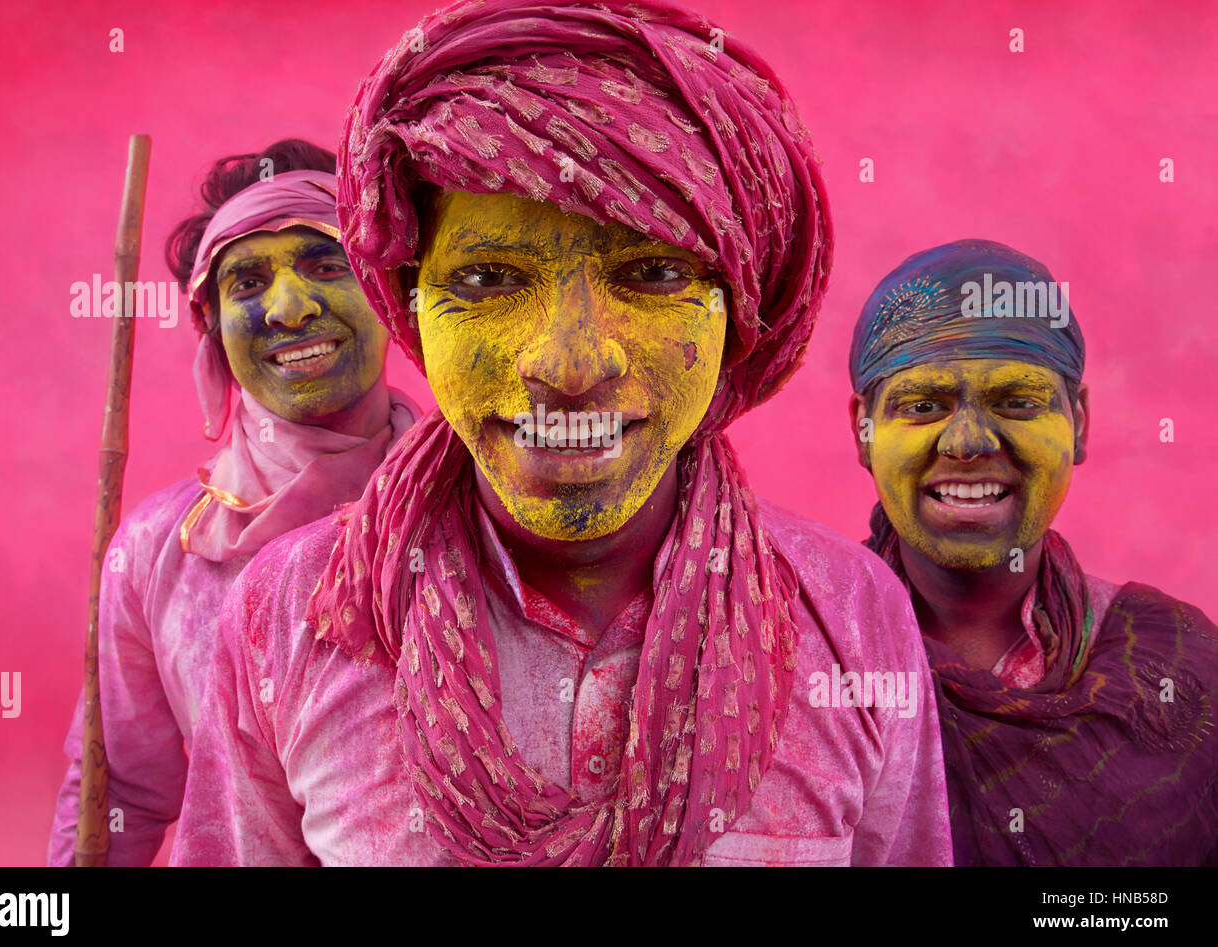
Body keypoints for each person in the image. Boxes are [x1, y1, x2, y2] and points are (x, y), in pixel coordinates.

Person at [172, 0, 949, 867]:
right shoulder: (291, 613)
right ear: (412, 303)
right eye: (490, 277)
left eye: (652, 273)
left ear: (739, 317)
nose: (570, 363)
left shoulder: (848, 615)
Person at [48, 140, 419, 865]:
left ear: (387, 291)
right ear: (211, 329)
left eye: (325, 264)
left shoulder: (479, 506)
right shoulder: (158, 550)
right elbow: (121, 791)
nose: (289, 306)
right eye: (247, 282)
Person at [848, 238, 1218, 865]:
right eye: (922, 405)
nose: (966, 441)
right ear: (863, 431)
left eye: (1017, 401)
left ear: (1078, 423)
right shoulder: (797, 653)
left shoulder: (1179, 660)